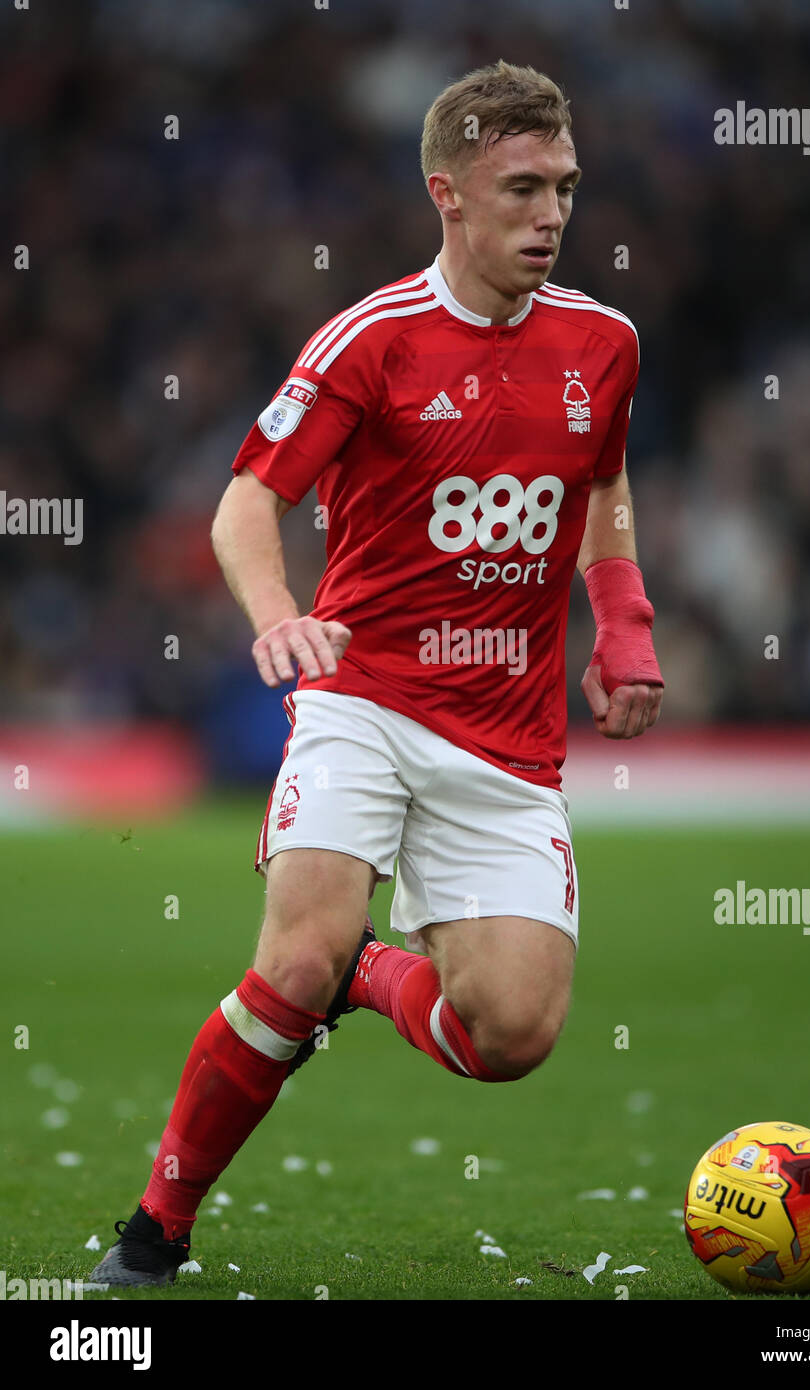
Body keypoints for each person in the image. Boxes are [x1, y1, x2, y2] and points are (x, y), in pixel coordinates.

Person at [90, 59, 663, 1288]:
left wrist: (624, 625)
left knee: (509, 1035)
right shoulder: (371, 339)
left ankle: (368, 971)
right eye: (521, 189)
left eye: (564, 186)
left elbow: (602, 487)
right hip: (364, 696)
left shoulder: (602, 344)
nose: (550, 215)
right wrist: (279, 615)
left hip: (507, 739)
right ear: (446, 193)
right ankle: (154, 1235)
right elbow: (248, 503)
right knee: (290, 961)